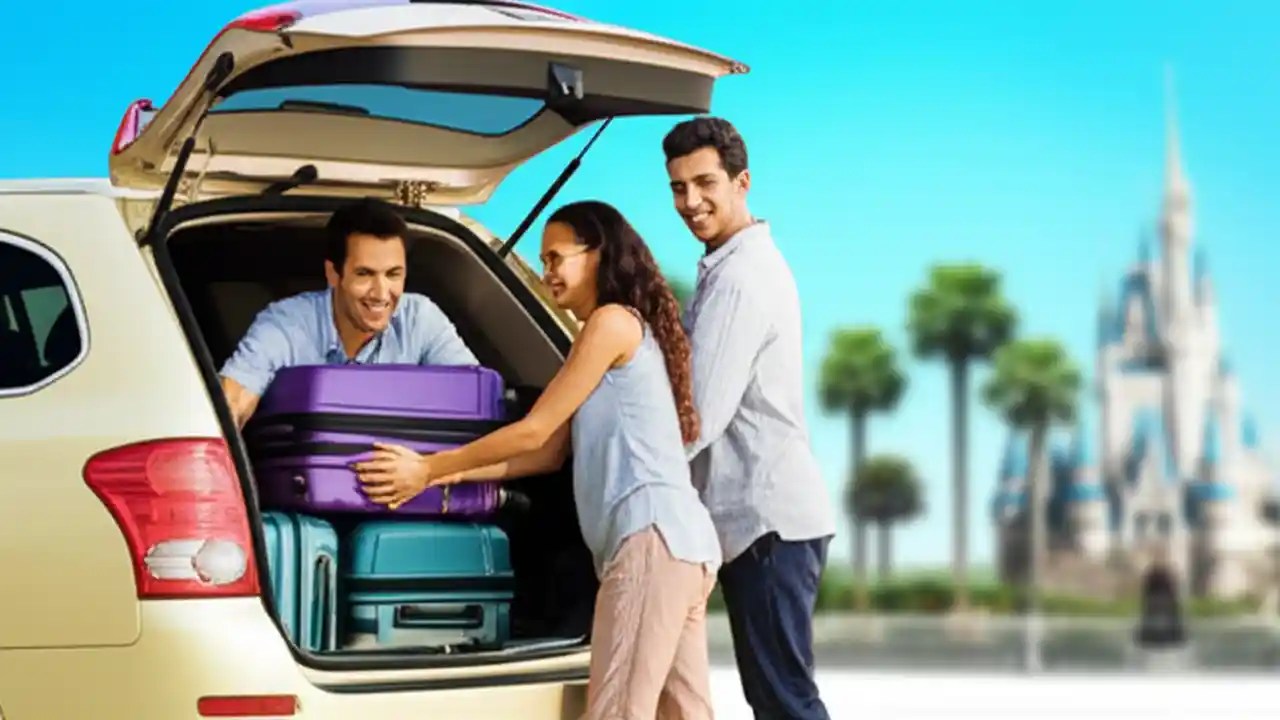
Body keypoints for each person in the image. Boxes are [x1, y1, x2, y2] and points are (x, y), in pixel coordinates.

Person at [353, 200, 723, 720]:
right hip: (685, 548)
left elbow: (532, 428)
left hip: (651, 542)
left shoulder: (610, 323)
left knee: (618, 712)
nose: (547, 272)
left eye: (556, 258)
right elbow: (548, 455)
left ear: (598, 255)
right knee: (684, 714)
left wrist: (427, 467)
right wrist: (444, 475)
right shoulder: (612, 333)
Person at [664, 116, 837, 719]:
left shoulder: (742, 279)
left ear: (743, 182)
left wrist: (636, 471)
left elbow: (699, 417)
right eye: (678, 187)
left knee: (785, 700)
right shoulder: (728, 267)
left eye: (705, 183)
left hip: (768, 527)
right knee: (777, 696)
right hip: (768, 526)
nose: (691, 201)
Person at [219, 197, 477, 428]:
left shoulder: (420, 318)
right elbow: (234, 401)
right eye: (364, 274)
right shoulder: (287, 323)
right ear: (333, 273)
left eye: (393, 274)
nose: (380, 292)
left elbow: (473, 399)